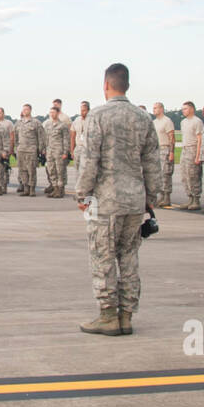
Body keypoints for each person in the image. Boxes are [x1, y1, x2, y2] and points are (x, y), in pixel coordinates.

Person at [75, 63, 161, 336]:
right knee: (129, 257)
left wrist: (83, 196)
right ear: (127, 85)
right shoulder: (143, 118)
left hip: (103, 201)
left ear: (106, 84)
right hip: (135, 200)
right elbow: (152, 161)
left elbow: (89, 161)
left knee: (102, 257)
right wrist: (151, 197)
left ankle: (108, 315)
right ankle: (126, 316)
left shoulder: (98, 116)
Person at [14, 103, 46, 196]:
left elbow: (41, 137)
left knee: (31, 170)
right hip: (21, 150)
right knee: (22, 170)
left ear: (30, 110)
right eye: (23, 109)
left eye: (26, 109)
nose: (24, 111)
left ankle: (32, 189)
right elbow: (15, 137)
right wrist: (16, 148)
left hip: (31, 150)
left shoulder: (36, 122)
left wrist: (41, 149)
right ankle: (26, 188)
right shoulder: (18, 123)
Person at [43, 105, 72, 198]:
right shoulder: (47, 125)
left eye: (53, 112)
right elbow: (46, 138)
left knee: (60, 171)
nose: (52, 114)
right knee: (51, 170)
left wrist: (65, 152)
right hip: (50, 151)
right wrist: (45, 149)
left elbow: (66, 140)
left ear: (58, 113)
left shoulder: (62, 125)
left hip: (59, 151)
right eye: (50, 112)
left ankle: (60, 189)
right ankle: (55, 188)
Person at [179, 101, 203, 210]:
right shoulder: (183, 122)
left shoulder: (197, 121)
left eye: (185, 109)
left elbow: (200, 140)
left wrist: (198, 156)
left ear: (192, 109)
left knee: (193, 175)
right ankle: (189, 197)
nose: (183, 111)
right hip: (185, 149)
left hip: (193, 149)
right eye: (183, 109)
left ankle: (196, 199)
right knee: (185, 176)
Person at [152, 102, 175, 207]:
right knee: (159, 175)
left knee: (166, 174)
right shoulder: (154, 122)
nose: (154, 110)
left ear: (161, 109)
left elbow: (172, 138)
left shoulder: (167, 121)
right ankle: (161, 195)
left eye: (156, 108)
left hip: (165, 149)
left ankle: (167, 197)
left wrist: (171, 152)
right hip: (157, 150)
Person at [0, 107, 19, 192]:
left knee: (5, 167)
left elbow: (12, 136)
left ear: (3, 113)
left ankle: (4, 186)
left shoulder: (8, 123)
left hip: (5, 148)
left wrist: (11, 149)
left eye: (0, 113)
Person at [70, 101, 90, 189]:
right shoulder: (77, 120)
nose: (82, 112)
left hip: (88, 148)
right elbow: (72, 136)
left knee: (86, 170)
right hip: (78, 148)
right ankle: (78, 189)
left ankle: (86, 189)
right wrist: (72, 150)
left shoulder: (92, 120)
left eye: (84, 110)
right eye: (81, 110)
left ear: (88, 110)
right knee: (77, 170)